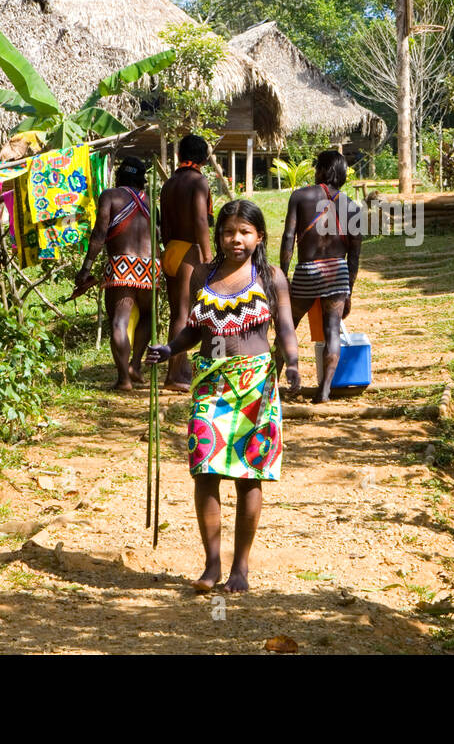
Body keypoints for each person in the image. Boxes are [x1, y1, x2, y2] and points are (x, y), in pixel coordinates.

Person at [148, 199, 300, 593]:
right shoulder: (202, 273)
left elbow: (285, 328)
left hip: (255, 385)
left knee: (249, 477)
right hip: (210, 384)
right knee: (206, 471)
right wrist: (170, 350)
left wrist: (295, 365)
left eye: (245, 232)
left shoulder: (270, 276)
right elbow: (192, 330)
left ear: (259, 237)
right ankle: (212, 564)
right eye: (229, 232)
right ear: (218, 235)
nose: (236, 239)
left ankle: (241, 568)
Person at [280, 149, 362, 403]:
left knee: (287, 326)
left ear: (323, 170)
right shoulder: (353, 207)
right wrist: (348, 290)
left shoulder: (300, 196)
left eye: (317, 166)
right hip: (337, 272)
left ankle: (268, 384)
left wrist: (282, 276)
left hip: (308, 270)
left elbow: (288, 239)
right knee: (333, 331)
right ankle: (324, 391)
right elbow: (354, 257)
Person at [73, 155, 154, 391]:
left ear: (119, 176)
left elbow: (99, 234)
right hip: (150, 266)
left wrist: (86, 268)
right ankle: (135, 365)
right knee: (148, 316)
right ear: (142, 180)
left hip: (121, 265)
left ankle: (124, 380)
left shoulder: (110, 195)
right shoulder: (150, 201)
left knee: (119, 321)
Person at [157, 134, 214, 392]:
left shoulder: (168, 184)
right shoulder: (199, 182)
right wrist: (207, 254)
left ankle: (178, 371)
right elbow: (202, 221)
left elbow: (164, 225)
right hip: (189, 251)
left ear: (180, 156)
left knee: (177, 313)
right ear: (204, 158)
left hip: (170, 250)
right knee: (184, 314)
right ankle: (174, 375)